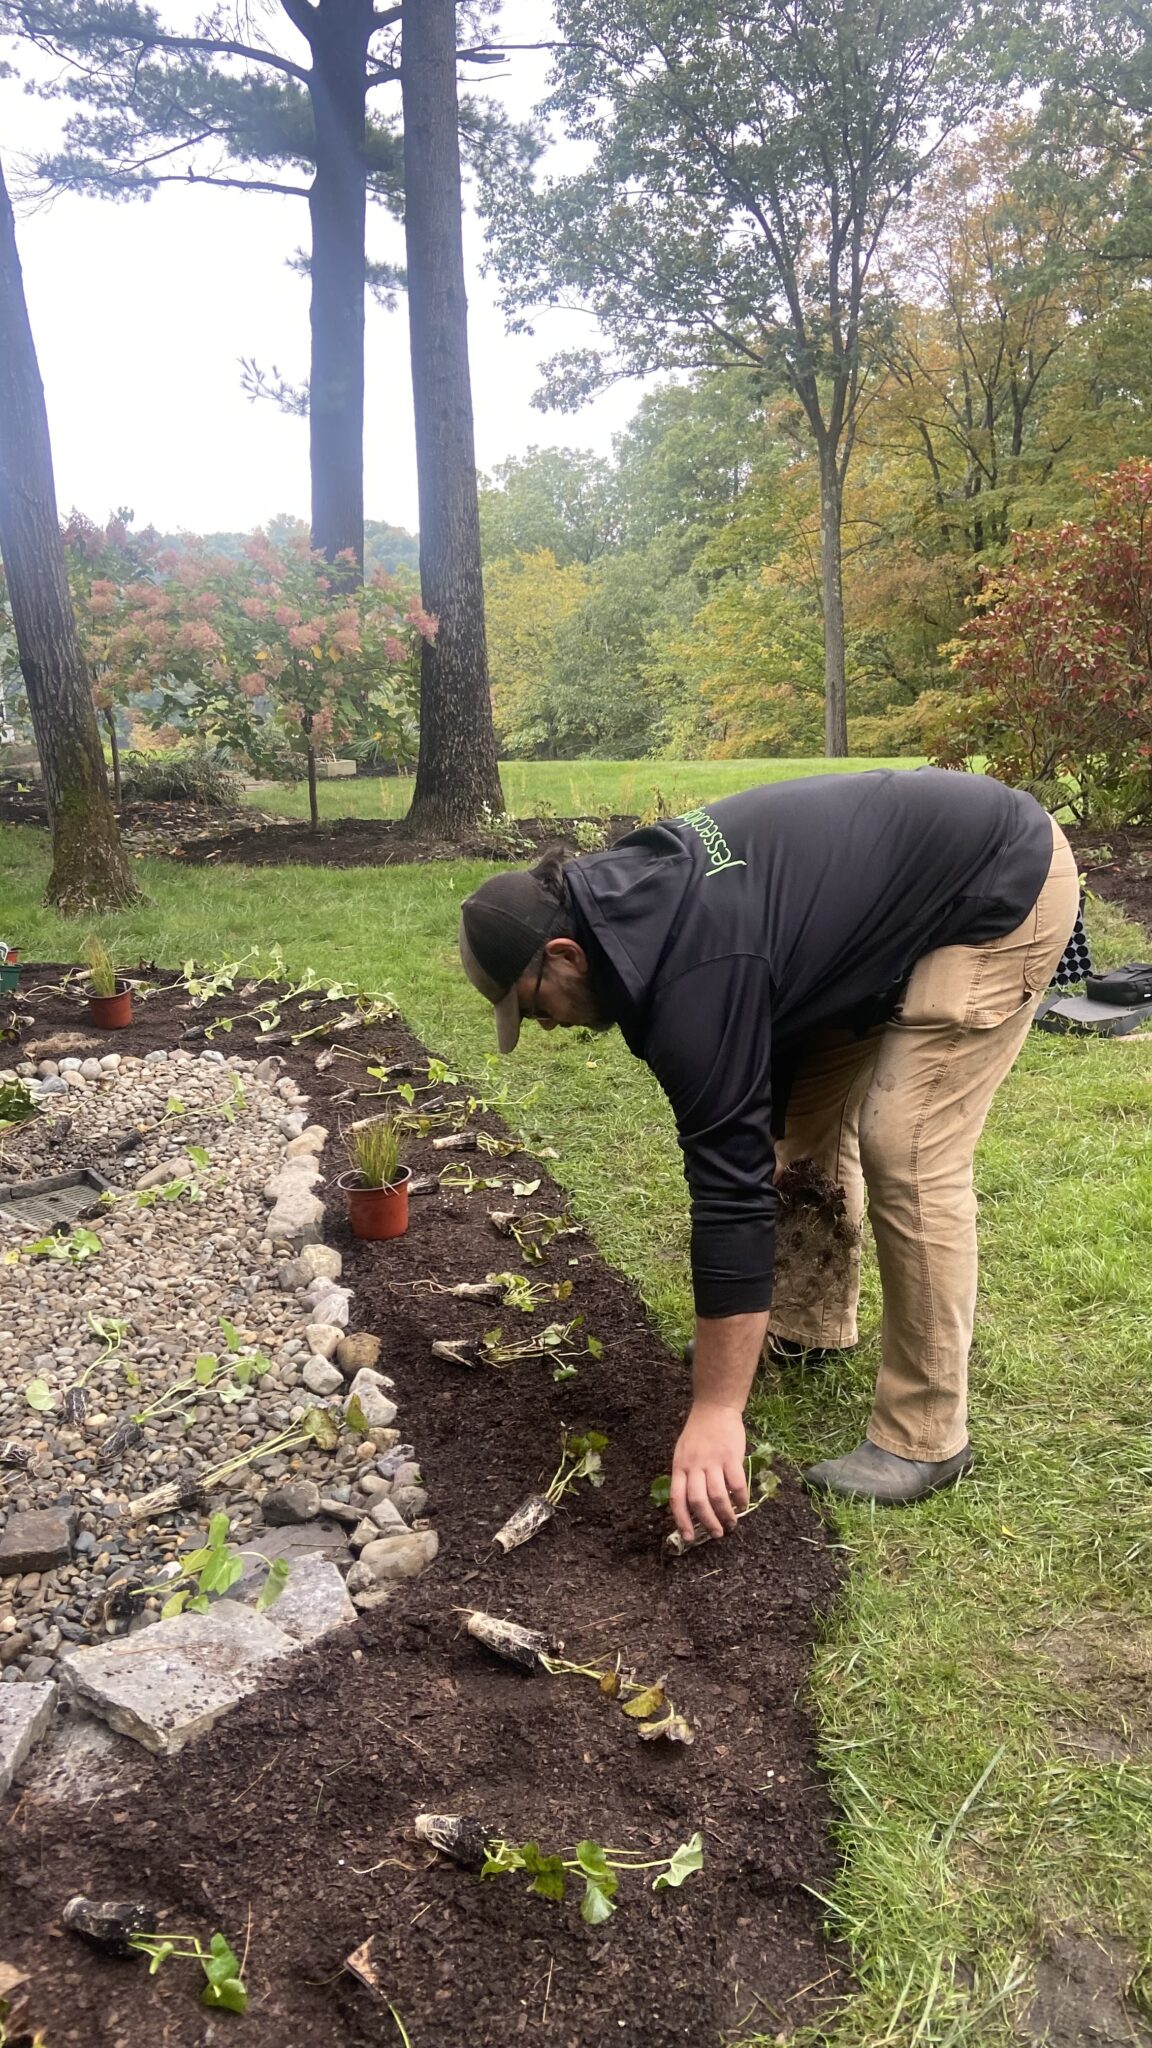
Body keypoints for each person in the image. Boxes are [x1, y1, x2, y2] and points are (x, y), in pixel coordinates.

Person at [457, 769, 1079, 1542]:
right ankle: (806, 1325)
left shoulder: (692, 973)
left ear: (565, 955)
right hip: (882, 909)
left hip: (994, 880)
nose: (543, 1027)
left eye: (531, 1005)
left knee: (905, 1146)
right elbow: (758, 1077)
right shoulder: (622, 907)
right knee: (803, 1132)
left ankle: (926, 1436)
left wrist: (717, 1411)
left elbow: (730, 1192)